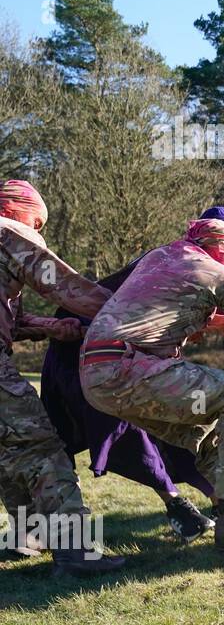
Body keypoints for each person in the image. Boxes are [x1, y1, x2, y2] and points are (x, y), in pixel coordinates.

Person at [80, 217, 224, 548]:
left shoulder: (160, 257)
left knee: (198, 435)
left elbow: (170, 303)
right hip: (127, 368)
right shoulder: (219, 274)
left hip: (97, 375)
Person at [39, 206, 224, 543]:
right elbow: (135, 308)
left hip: (117, 355)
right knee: (122, 432)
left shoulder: (176, 259)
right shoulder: (175, 262)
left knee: (178, 424)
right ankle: (181, 506)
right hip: (89, 354)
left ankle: (221, 507)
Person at [0, 179, 126, 575]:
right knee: (40, 449)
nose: (36, 233)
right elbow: (64, 285)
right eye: (36, 224)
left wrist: (52, 329)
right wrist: (127, 313)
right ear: (19, 209)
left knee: (8, 452)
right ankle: (75, 552)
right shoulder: (8, 232)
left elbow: (10, 318)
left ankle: (26, 537)